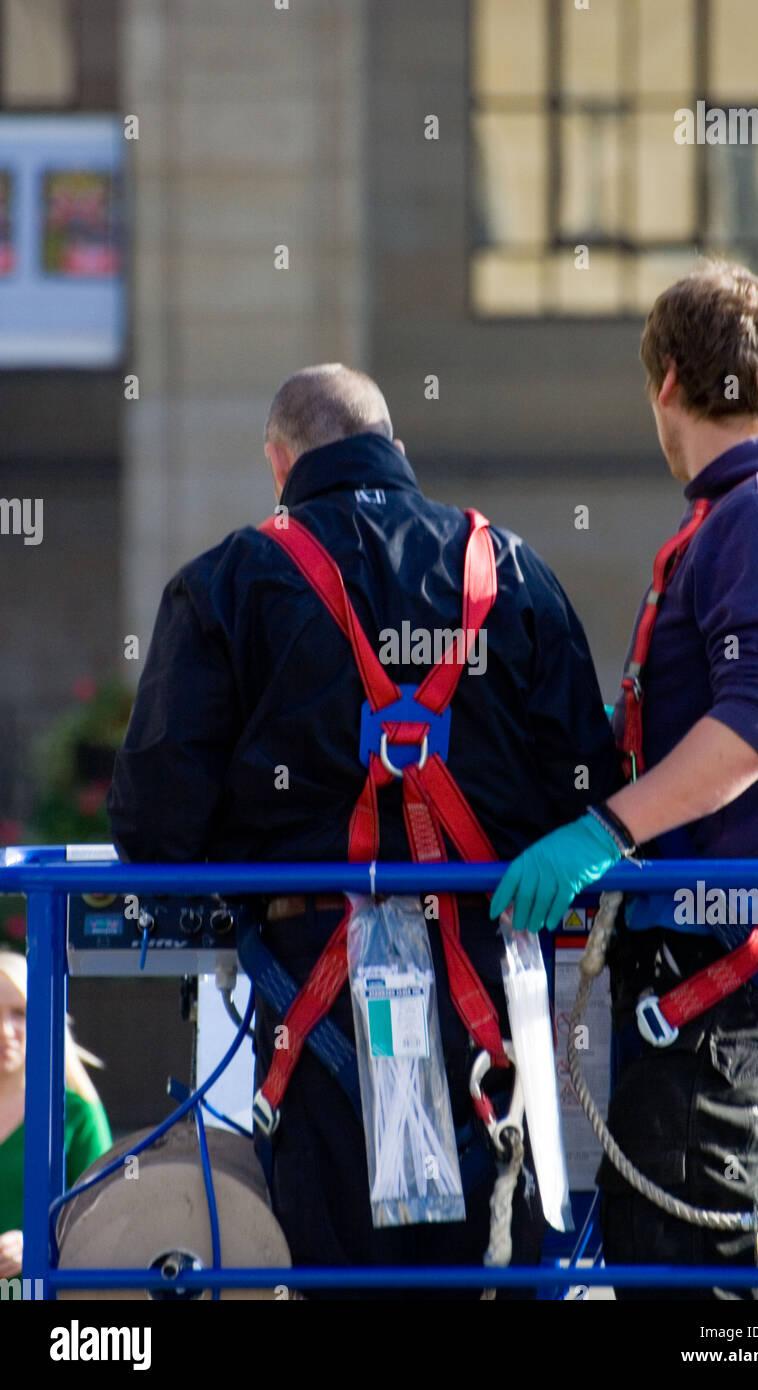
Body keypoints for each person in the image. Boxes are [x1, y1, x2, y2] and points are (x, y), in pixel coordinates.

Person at [107, 363, 621, 1297]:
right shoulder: (508, 570)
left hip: (311, 987)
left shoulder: (228, 584)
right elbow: (584, 780)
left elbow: (155, 822)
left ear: (279, 463)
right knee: (492, 1255)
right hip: (492, 973)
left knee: (336, 1268)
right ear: (397, 447)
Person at [491, 261, 758, 1299]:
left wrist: (600, 832)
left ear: (664, 384)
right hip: (711, 958)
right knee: (679, 1264)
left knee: (691, 1285)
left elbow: (752, 727)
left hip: (708, 960)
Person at [0, 948, 112, 1279]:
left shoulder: (75, 1113)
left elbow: (105, 1214)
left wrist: (39, 1243)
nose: (5, 1030)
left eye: (19, 1013)